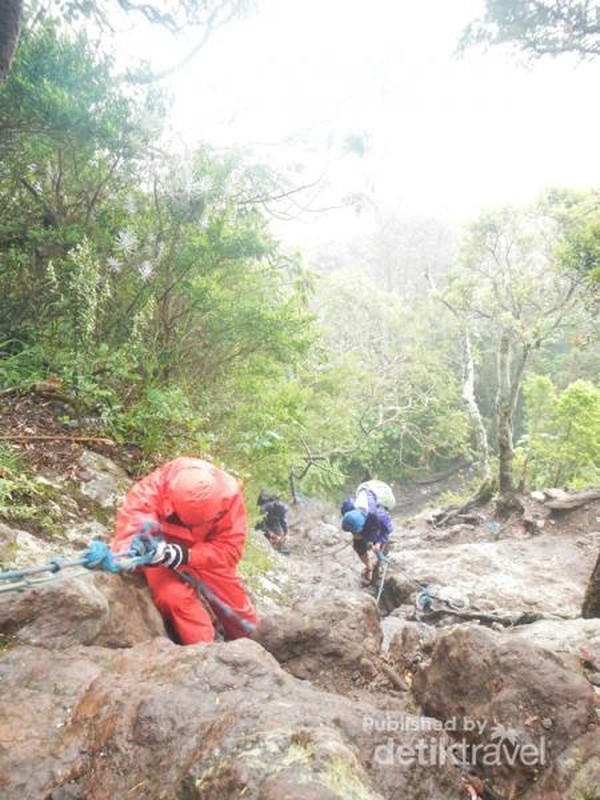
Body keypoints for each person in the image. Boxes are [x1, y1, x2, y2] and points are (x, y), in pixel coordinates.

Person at [111, 456, 257, 645]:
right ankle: (207, 651)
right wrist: (140, 546)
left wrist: (187, 555)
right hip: (160, 550)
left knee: (241, 617)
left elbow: (229, 550)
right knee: (174, 597)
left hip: (204, 550)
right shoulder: (155, 487)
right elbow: (131, 525)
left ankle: (251, 643)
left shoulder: (229, 497)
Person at [341, 480, 395, 586]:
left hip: (382, 496)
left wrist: (379, 542)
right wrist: (359, 538)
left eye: (355, 532)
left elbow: (387, 530)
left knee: (377, 541)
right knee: (359, 545)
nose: (354, 535)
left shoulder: (380, 516)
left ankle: (379, 562)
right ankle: (369, 567)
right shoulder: (348, 507)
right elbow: (356, 537)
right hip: (365, 490)